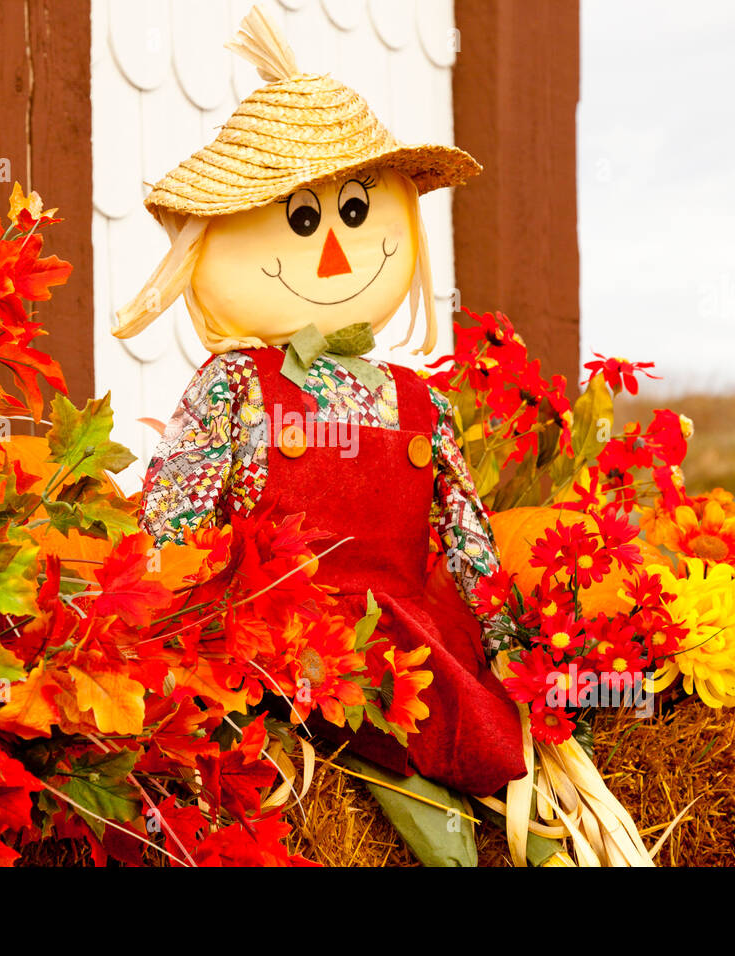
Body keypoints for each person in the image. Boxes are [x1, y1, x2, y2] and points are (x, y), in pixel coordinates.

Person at [112, 6, 527, 803]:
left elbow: (466, 536)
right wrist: (161, 635)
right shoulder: (235, 387)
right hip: (272, 644)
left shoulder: (419, 402)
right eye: (303, 220)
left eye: (357, 212)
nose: (334, 251)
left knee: (481, 747)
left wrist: (506, 638)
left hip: (402, 645)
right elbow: (174, 522)